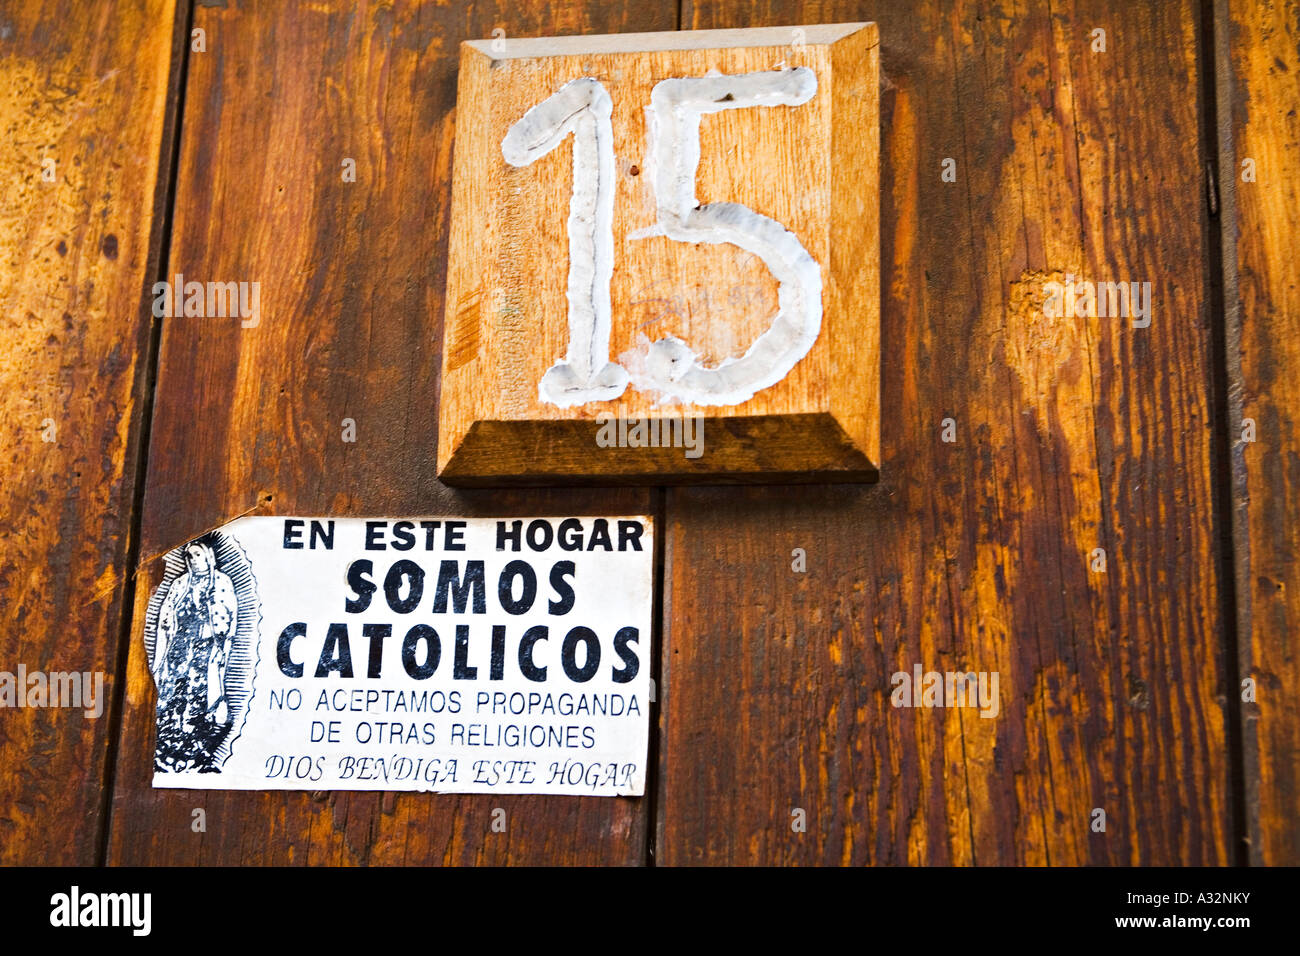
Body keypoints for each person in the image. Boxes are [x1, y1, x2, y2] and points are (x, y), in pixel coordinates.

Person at [152, 540, 238, 772]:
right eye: (189, 556)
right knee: (175, 697)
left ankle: (197, 750)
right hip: (180, 651)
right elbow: (166, 615)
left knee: (201, 698)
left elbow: (228, 620)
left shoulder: (221, 583)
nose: (193, 560)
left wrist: (221, 645)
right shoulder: (181, 583)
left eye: (198, 554)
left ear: (208, 555)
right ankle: (171, 750)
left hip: (205, 652)